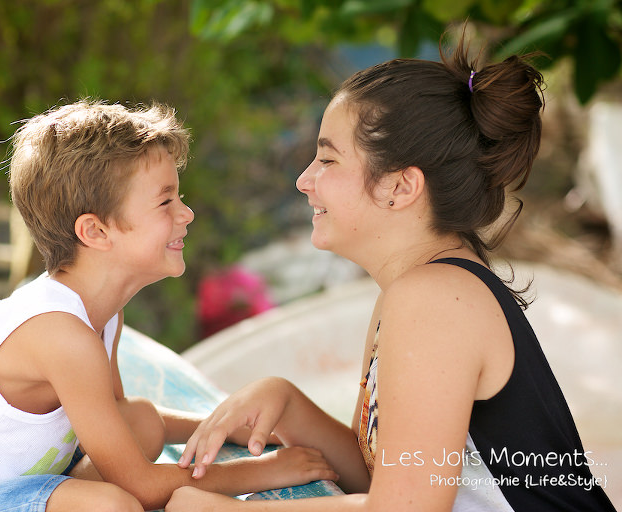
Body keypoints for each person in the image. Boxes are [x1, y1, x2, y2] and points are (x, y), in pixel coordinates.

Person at [167, 36, 618, 512]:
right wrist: (289, 404)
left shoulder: (435, 299)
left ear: (400, 186)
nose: (304, 180)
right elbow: (388, 479)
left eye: (328, 159)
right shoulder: (414, 291)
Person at [0, 100, 337, 512]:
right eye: (165, 202)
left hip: (13, 479)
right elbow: (139, 486)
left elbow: (115, 415)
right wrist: (262, 470)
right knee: (111, 505)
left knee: (142, 422)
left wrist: (223, 428)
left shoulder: (102, 311)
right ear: (95, 231)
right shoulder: (60, 333)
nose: (186, 213)